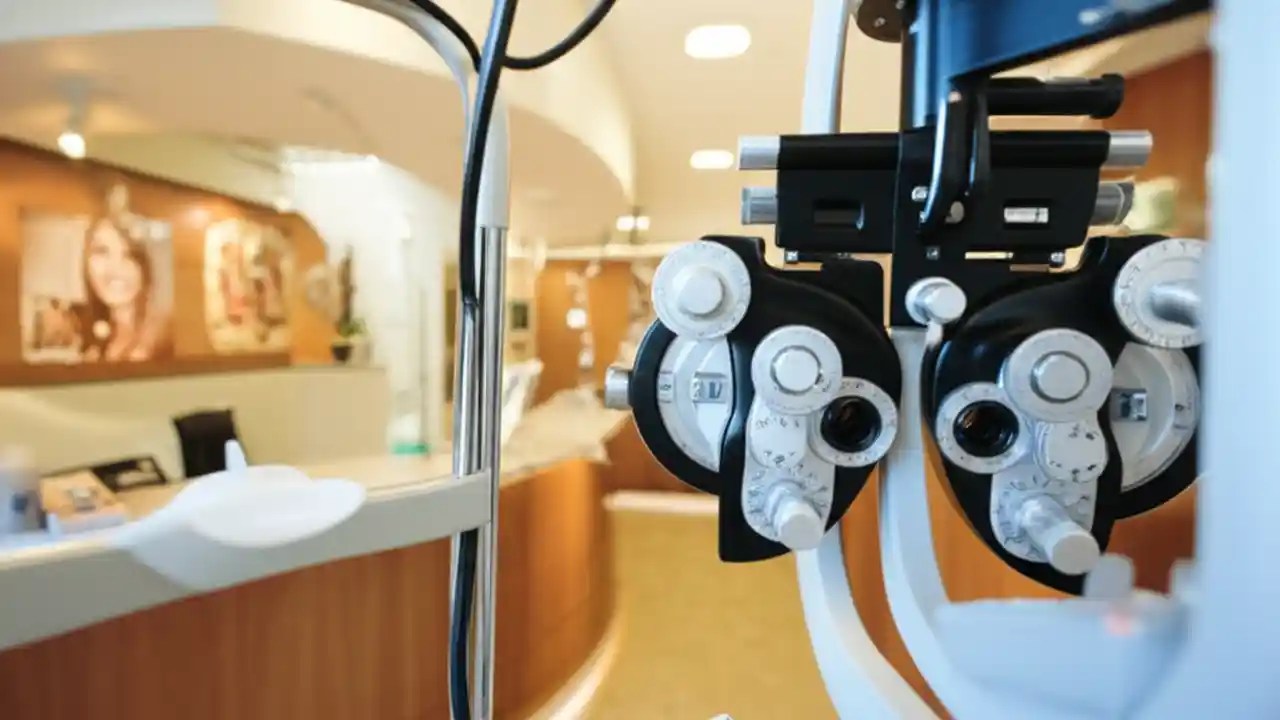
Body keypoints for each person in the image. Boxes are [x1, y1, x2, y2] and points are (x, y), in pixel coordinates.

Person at [78, 217, 172, 362]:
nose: (115, 267)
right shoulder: (97, 338)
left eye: (129, 254)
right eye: (102, 251)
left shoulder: (161, 337)